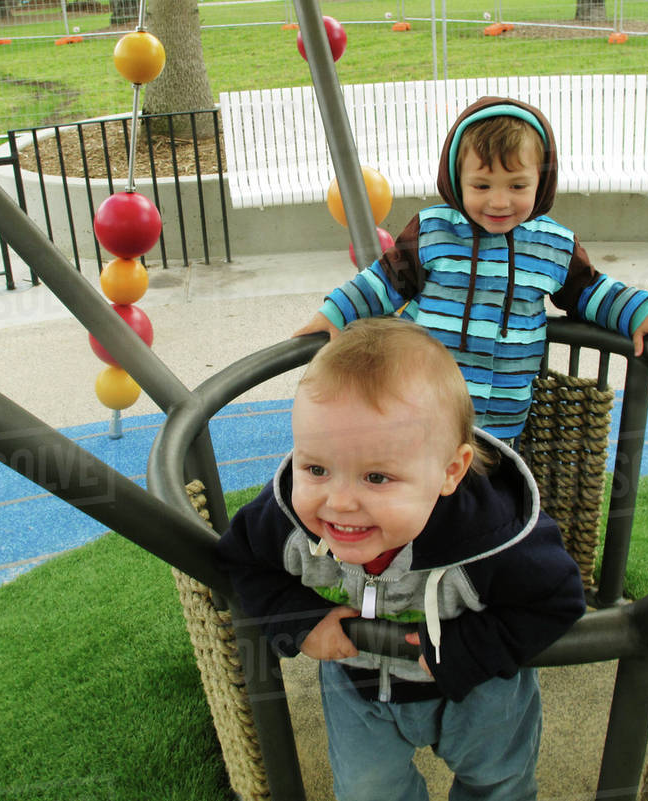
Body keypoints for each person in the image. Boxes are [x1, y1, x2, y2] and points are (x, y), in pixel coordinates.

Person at [217, 317, 586, 801]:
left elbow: (557, 601)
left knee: (499, 782)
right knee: (367, 792)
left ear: (449, 472)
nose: (340, 503)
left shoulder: (494, 539)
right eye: (317, 468)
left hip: (479, 687)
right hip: (358, 682)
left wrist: (467, 650)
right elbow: (240, 562)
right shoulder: (287, 520)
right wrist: (301, 620)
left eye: (376, 478)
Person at [295, 96, 648, 442]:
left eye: (517, 186)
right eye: (481, 185)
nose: (498, 201)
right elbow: (384, 281)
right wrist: (334, 313)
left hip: (502, 419)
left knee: (486, 502)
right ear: (456, 181)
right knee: (421, 492)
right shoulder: (434, 230)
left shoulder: (553, 244)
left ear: (541, 183)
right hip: (422, 407)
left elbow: (589, 290)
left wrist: (637, 311)